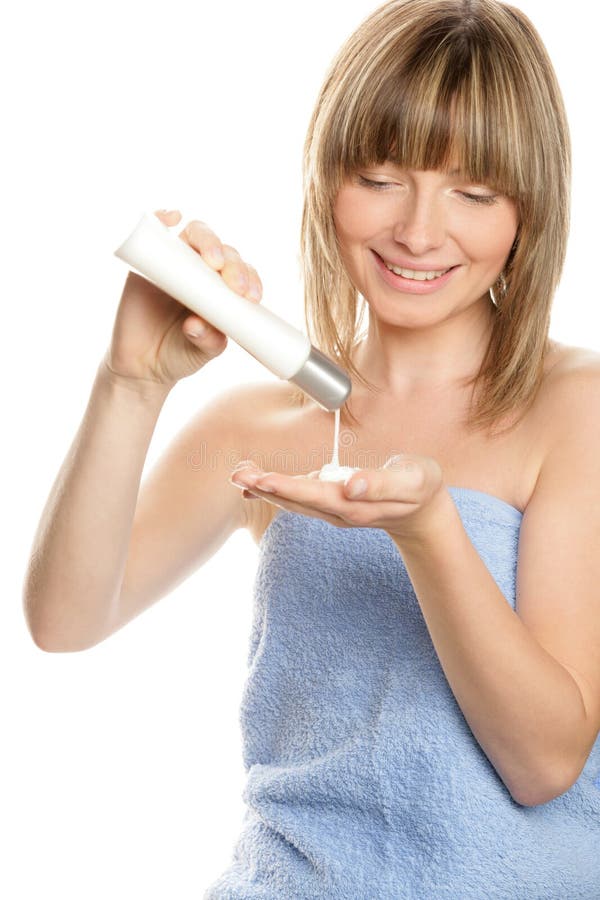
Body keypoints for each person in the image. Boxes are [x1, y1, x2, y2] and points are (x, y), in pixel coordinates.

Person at [23, 0, 600, 896]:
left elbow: (545, 762)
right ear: (327, 179)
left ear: (530, 211)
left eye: (474, 193)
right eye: (380, 177)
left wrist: (429, 532)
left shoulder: (574, 409)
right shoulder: (259, 428)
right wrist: (129, 383)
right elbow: (63, 623)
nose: (418, 230)